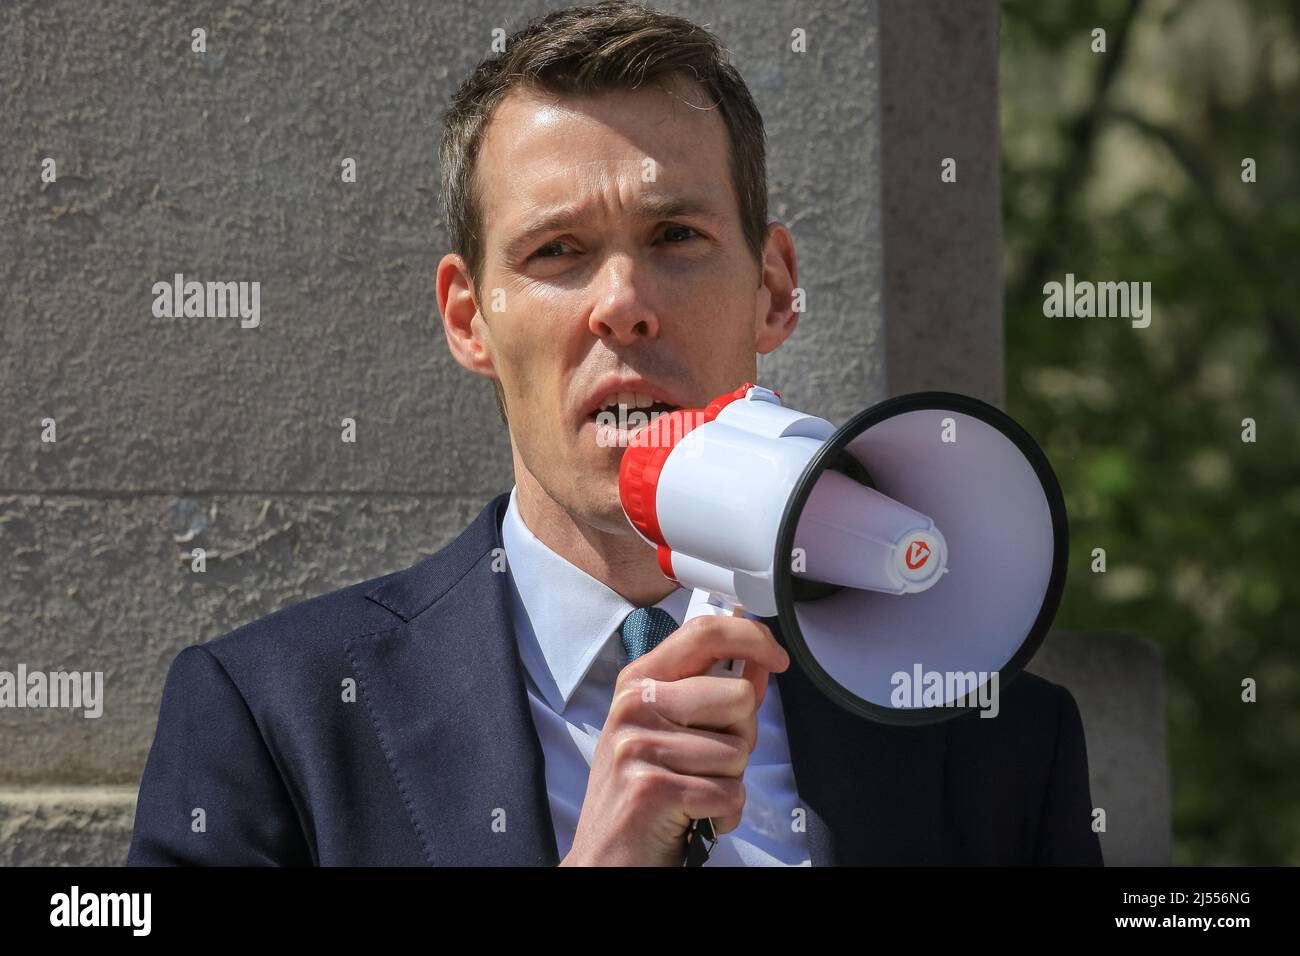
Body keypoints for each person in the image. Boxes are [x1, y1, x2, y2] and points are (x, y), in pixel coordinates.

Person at [128, 0, 1103, 867]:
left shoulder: (987, 733)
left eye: (677, 236)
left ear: (772, 288)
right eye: (558, 252)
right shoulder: (271, 717)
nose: (624, 305)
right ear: (469, 318)